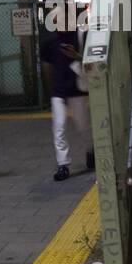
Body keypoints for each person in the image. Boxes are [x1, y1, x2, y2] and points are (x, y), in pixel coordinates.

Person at [40, 26, 93, 182]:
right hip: (59, 92)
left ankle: (90, 151)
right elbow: (46, 66)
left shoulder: (80, 35)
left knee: (83, 126)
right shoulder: (49, 42)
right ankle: (63, 164)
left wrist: (76, 55)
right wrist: (52, 92)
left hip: (77, 89)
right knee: (59, 126)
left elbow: (90, 59)